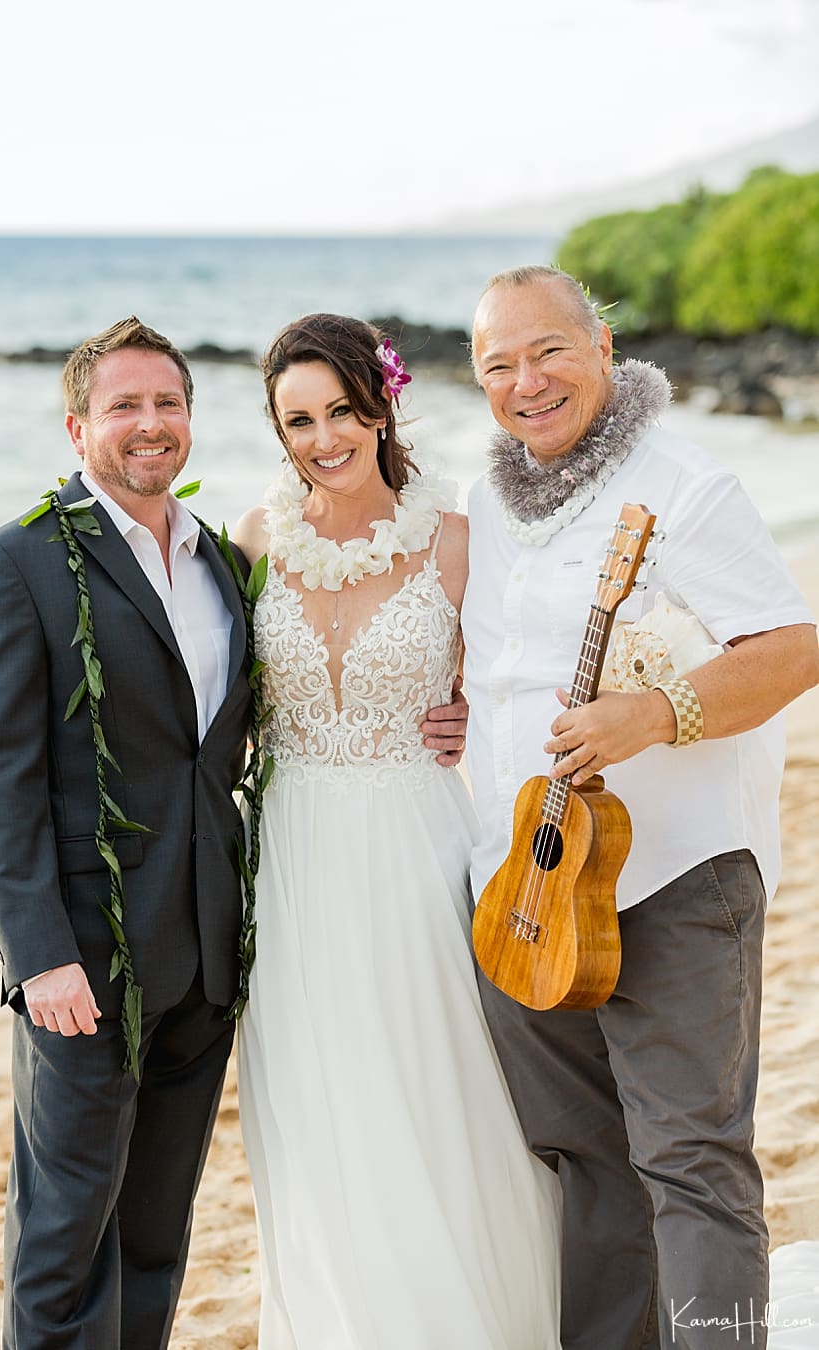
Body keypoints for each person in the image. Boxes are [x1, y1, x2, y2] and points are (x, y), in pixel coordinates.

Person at [0, 315, 470, 1350]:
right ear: (78, 427)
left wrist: (458, 710)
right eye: (125, 406)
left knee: (155, 1235)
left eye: (169, 402)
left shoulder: (223, 560)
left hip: (208, 955)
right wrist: (38, 958)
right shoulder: (14, 564)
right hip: (85, 966)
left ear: (191, 417)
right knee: (63, 1233)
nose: (151, 424)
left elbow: (242, 729)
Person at [462, 265, 819, 1350]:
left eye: (549, 351)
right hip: (525, 887)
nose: (527, 382)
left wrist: (656, 714)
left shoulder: (686, 486)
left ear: (604, 346)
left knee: (691, 1162)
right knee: (586, 1160)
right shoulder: (485, 500)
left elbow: (793, 647)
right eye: (499, 365)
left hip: (674, 878)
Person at [232, 312, 562, 1349]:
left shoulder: (457, 540)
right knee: (320, 1100)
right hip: (291, 858)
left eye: (341, 411)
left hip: (417, 845)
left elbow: (522, 685)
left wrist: (468, 714)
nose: (324, 438)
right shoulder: (251, 542)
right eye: (299, 421)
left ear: (382, 405)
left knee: (438, 1086)